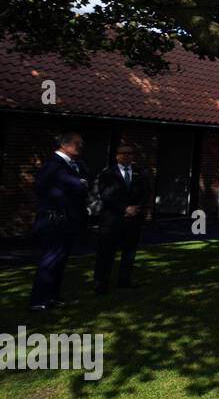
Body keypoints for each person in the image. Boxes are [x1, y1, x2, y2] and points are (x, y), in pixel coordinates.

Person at [29, 131, 90, 312]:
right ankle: (38, 301)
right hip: (53, 220)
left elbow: (82, 183)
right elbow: (79, 185)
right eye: (77, 143)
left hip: (67, 220)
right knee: (50, 260)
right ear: (65, 145)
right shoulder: (53, 165)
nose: (80, 146)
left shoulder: (72, 165)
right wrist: (79, 183)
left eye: (81, 143)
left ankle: (52, 296)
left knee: (60, 261)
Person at [94, 142, 150, 293]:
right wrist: (125, 208)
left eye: (129, 153)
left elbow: (145, 193)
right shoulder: (107, 173)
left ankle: (124, 281)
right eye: (123, 153)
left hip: (133, 220)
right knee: (106, 253)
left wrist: (137, 208)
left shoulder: (140, 173)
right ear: (117, 156)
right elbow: (105, 195)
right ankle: (101, 284)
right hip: (112, 220)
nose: (126, 156)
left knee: (129, 252)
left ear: (133, 156)